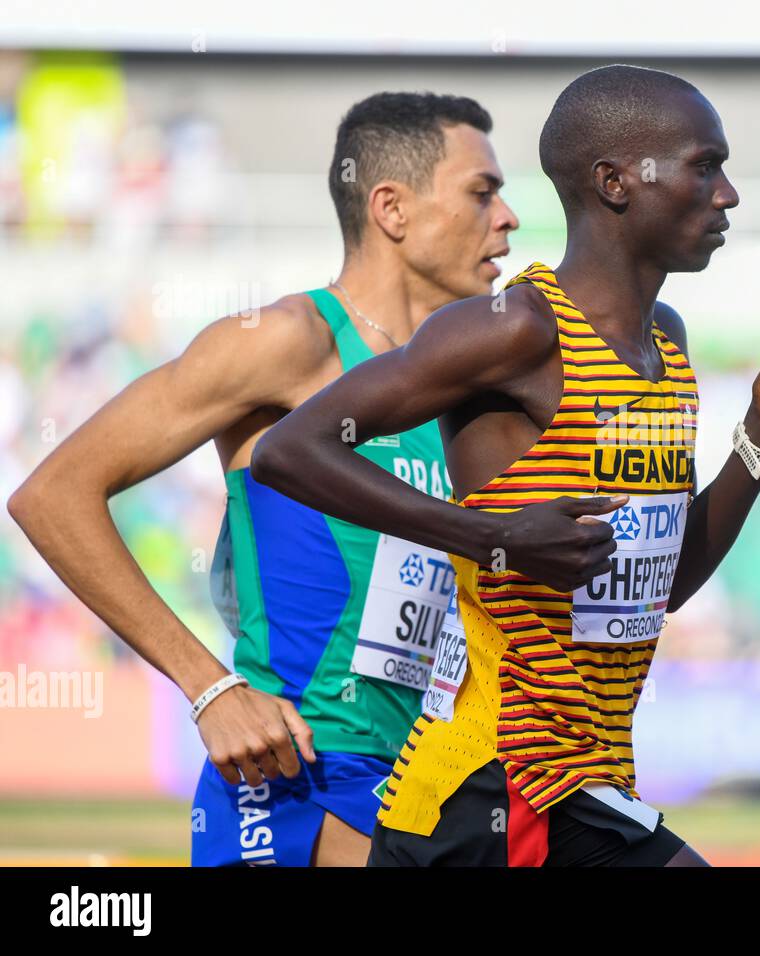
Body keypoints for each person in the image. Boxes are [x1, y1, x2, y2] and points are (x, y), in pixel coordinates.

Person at [252, 64, 760, 866]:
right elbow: (292, 450)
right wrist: (489, 535)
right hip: (500, 788)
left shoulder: (665, 342)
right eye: (705, 166)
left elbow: (657, 590)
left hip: (579, 785)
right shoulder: (514, 330)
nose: (728, 194)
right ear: (615, 183)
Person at [8, 91, 620, 866]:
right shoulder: (286, 344)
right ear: (391, 208)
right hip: (299, 769)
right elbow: (53, 494)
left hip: (439, 773)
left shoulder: (478, 389)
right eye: (481, 191)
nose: (507, 218)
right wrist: (209, 688)